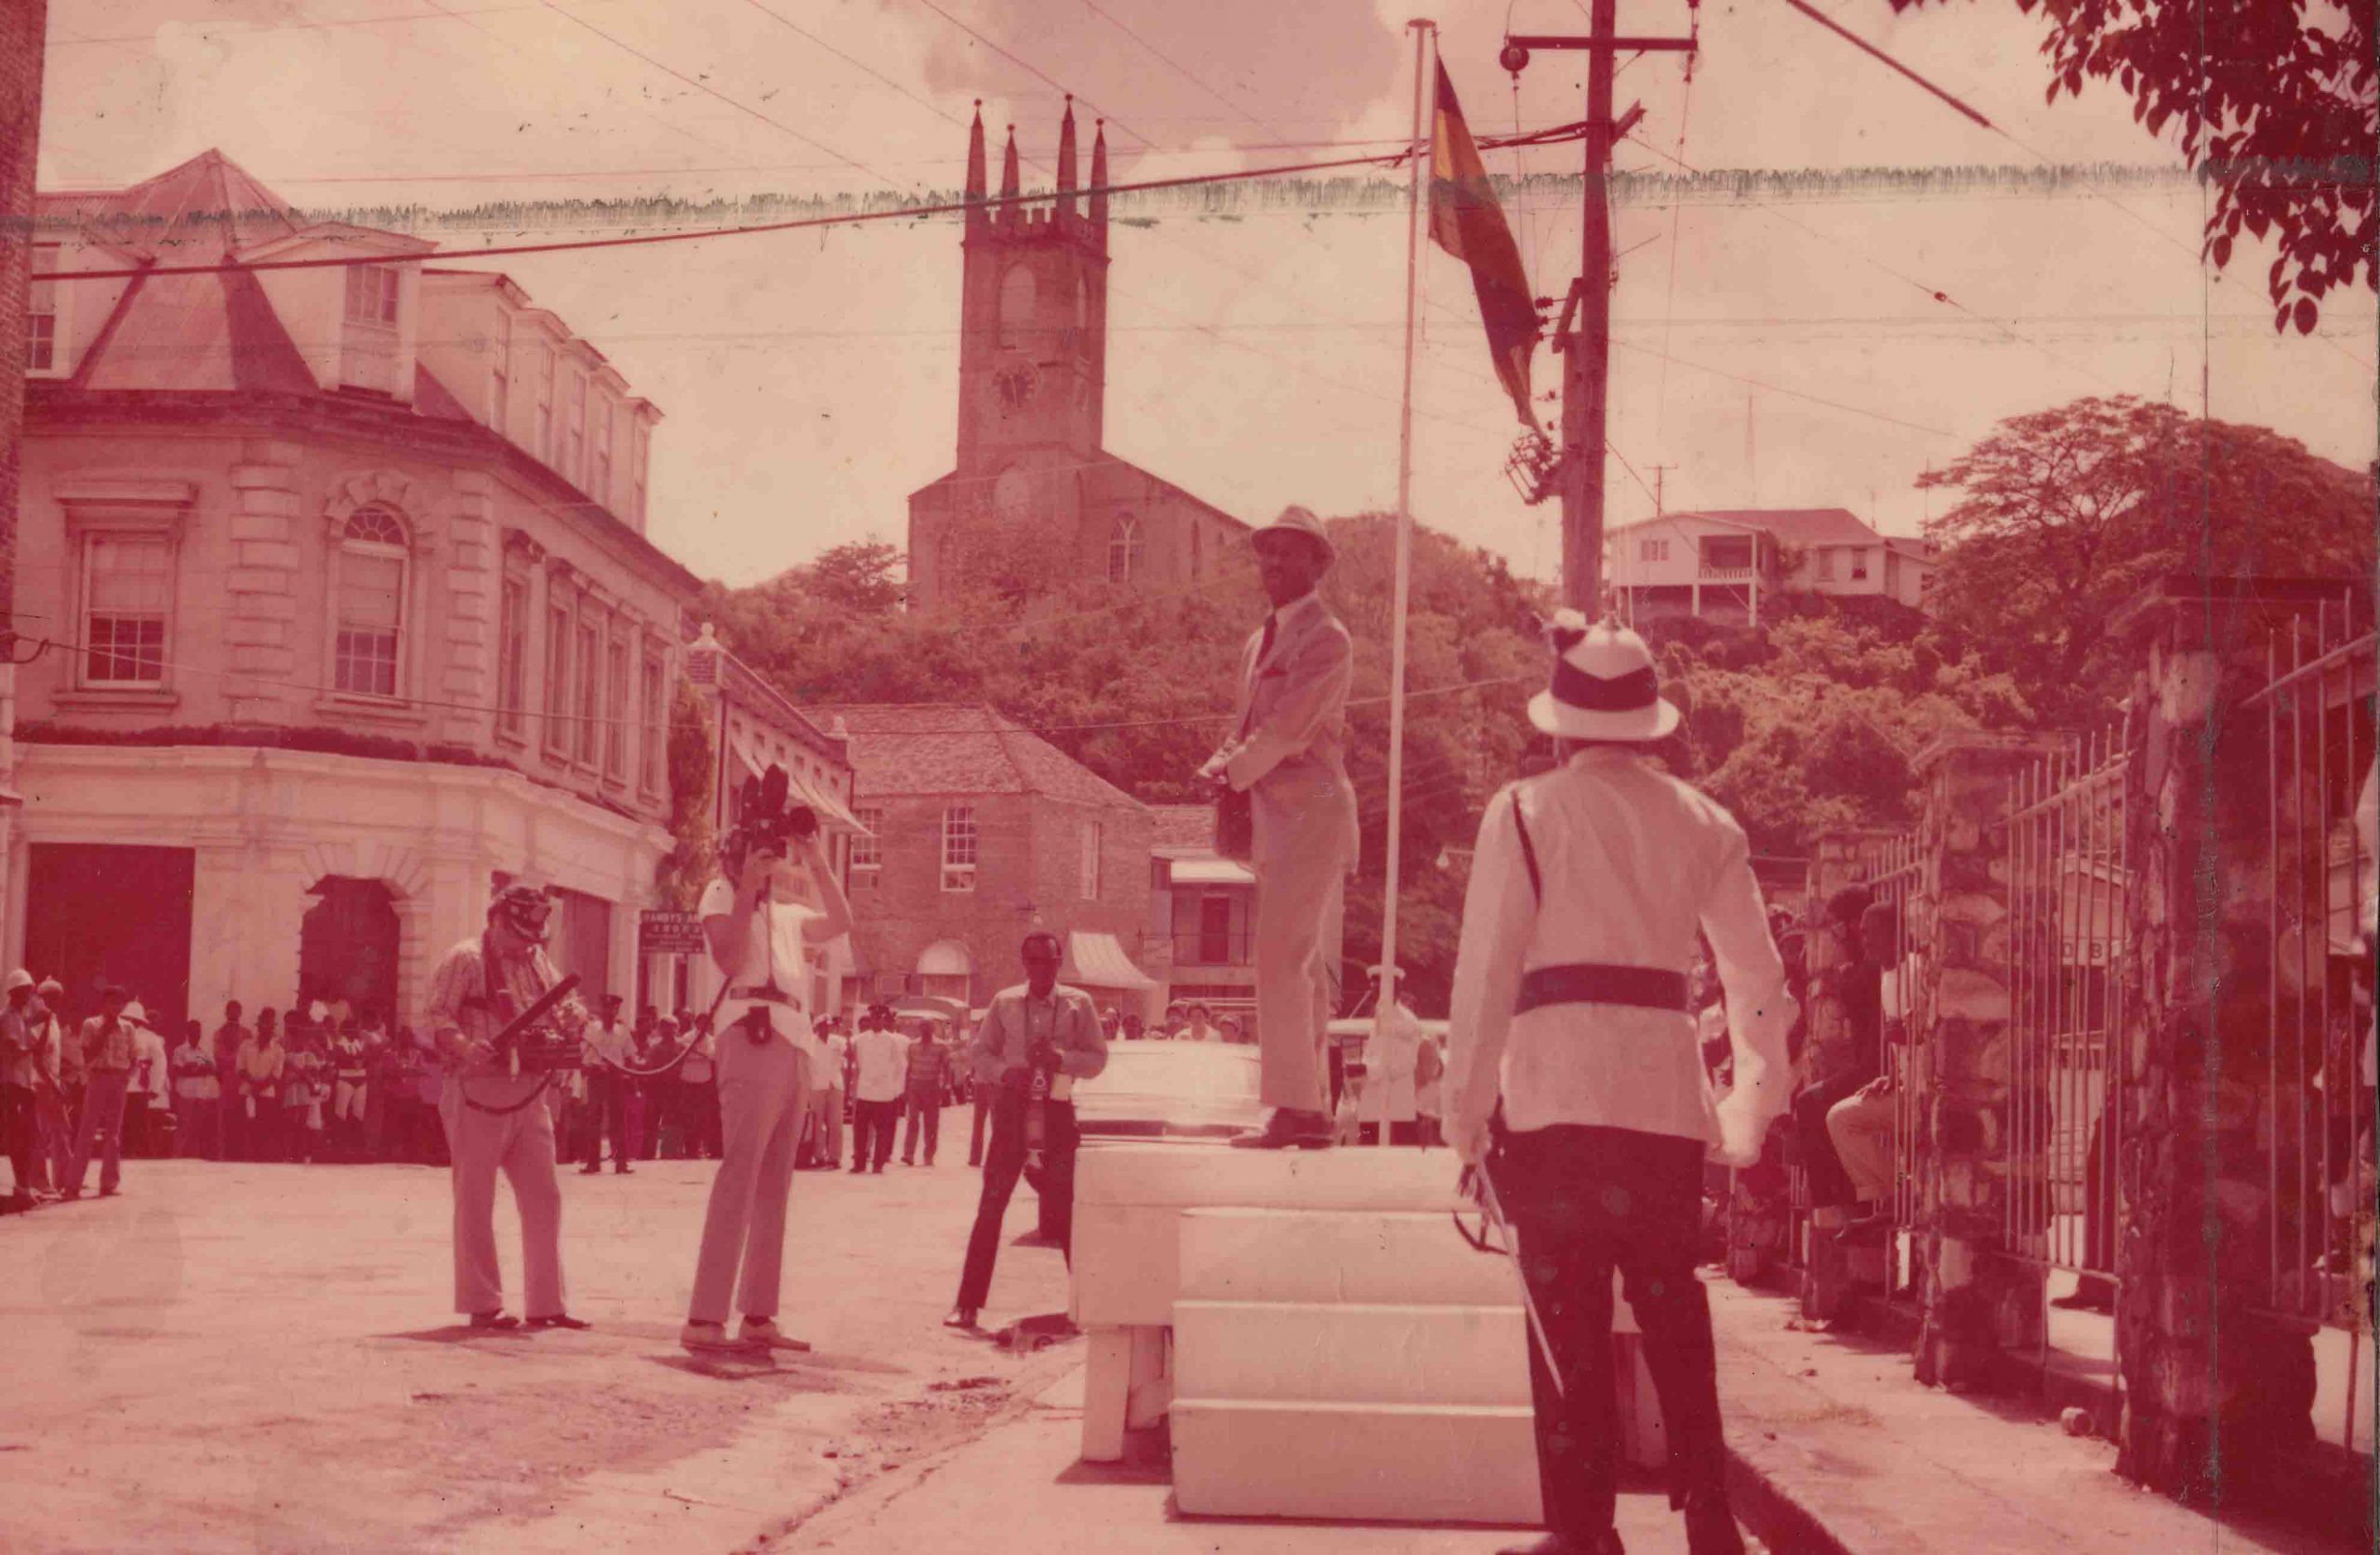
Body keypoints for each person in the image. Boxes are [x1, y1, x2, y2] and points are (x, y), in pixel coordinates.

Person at [1446, 612, 1794, 1555]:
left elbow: (1486, 971)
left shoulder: (1521, 811)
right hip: (1659, 1102)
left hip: (1554, 1096)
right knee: (1671, 1298)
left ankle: (1584, 1528)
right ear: (1653, 723)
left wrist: (1464, 1114)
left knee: (1564, 1311)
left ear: (1561, 723)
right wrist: (1748, 1107)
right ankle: (1708, 1513)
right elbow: (1756, 981)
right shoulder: (1706, 821)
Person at [1197, 506, 1358, 1150]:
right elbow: (1247, 727)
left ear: (1319, 564)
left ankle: (1295, 1109)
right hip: (1276, 815)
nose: (1274, 563)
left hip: (1312, 809)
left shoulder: (1328, 638)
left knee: (1280, 957)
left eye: (1290, 552)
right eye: (1267, 551)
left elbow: (1290, 727)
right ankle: (1309, 1108)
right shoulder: (1257, 639)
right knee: (1302, 965)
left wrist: (1229, 770)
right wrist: (1220, 763)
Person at [682, 775, 853, 1354]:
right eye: (751, 851)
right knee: (740, 1172)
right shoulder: (719, 895)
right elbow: (729, 957)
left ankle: (759, 1315)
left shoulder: (786, 914)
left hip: (794, 1036)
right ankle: (705, 1317)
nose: (764, 858)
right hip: (750, 1032)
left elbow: (839, 923)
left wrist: (814, 858)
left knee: (777, 1182)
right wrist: (748, 886)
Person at [427, 878, 592, 1331]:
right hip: (477, 1092)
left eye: (533, 938)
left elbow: (564, 1004)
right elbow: (436, 1015)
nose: (527, 946)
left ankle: (548, 1304)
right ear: (497, 920)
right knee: (476, 1200)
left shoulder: (536, 960)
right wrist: (462, 1044)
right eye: (520, 935)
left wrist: (575, 1017)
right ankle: (483, 1304)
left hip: (530, 1094)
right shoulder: (466, 958)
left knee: (545, 1198)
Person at [945, 931, 1108, 1330]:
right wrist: (1006, 1073)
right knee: (992, 1205)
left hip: (1056, 1109)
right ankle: (967, 1304)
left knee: (1068, 1207)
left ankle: (1087, 1307)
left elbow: (1098, 1058)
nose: (1042, 968)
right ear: (1024, 963)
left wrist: (1061, 1058)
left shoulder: (1078, 1003)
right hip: (1012, 1111)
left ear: (1058, 963)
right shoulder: (1004, 1002)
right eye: (1034, 961)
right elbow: (980, 1053)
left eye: (1050, 961)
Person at [1792, 890, 1886, 1217]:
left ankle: (1840, 1205)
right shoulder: (1861, 963)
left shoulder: (1872, 965)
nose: (1833, 933)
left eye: (1837, 925)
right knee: (1807, 1105)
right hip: (1866, 1065)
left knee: (1809, 1104)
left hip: (1875, 1068)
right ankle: (1839, 1204)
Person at [62, 984, 140, 1200]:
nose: (116, 1007)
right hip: (98, 1076)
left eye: (120, 1003)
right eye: (112, 1002)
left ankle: (109, 1182)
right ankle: (73, 1184)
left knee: (113, 1134)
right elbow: (88, 1054)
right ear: (104, 1004)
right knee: (87, 1131)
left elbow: (134, 1056)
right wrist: (106, 1029)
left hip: (118, 1078)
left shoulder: (128, 1028)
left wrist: (126, 1077)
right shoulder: (92, 1024)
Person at [579, 994, 635, 1176]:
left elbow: (629, 1056)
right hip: (597, 1077)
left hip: (616, 1078)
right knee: (593, 1119)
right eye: (606, 1009)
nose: (609, 1013)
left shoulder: (623, 1031)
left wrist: (629, 1075)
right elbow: (585, 1055)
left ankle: (621, 1163)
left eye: (612, 1010)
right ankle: (593, 1163)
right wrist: (593, 1066)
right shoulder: (591, 1029)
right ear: (601, 1010)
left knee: (618, 1121)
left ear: (617, 1011)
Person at [850, 1006, 907, 1174]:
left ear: (883, 1020)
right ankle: (859, 1164)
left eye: (879, 1018)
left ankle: (878, 1164)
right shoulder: (859, 1040)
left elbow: (900, 1066)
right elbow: (857, 1066)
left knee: (882, 1131)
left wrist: (896, 1089)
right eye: (873, 1018)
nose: (876, 1021)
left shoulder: (892, 1041)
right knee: (860, 1131)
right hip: (865, 1091)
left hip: (884, 1093)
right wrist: (855, 1088)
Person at [3, 971, 42, 1207]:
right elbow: (13, 1048)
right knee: (19, 1137)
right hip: (11, 1084)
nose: (29, 995)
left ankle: (23, 1187)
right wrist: (30, 1049)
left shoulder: (20, 1018)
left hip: (21, 1083)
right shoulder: (8, 1017)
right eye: (26, 991)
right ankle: (22, 1188)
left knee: (26, 1136)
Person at [238, 1011, 286, 1162]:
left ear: (272, 1028)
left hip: (266, 1096)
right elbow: (240, 1069)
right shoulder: (246, 1045)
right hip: (247, 1092)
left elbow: (276, 1075)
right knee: (246, 1129)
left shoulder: (278, 1050)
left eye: (269, 1026)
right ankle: (246, 1161)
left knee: (263, 1132)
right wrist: (253, 1084)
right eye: (263, 1025)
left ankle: (260, 1164)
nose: (266, 1029)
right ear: (258, 1027)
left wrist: (260, 1086)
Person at [124, 1007, 172, 1159]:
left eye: (133, 1019)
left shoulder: (151, 1038)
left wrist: (156, 1086)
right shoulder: (120, 1033)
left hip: (139, 1084)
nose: (130, 1021)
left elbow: (160, 1061)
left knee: (139, 1121)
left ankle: (141, 1152)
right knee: (122, 1122)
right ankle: (124, 1151)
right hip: (122, 1082)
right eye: (127, 1018)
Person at [171, 1019, 222, 1160]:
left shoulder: (205, 1050)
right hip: (185, 1094)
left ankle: (194, 1157)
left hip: (202, 1094)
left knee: (198, 1127)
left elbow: (212, 1069)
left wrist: (193, 1068)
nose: (196, 1034)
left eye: (198, 1032)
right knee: (183, 1127)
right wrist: (198, 1069)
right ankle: (177, 1156)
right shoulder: (179, 1050)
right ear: (188, 1033)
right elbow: (179, 1070)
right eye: (193, 1031)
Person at [902, 1020, 950, 1166]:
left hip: (932, 1085)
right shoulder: (912, 1045)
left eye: (928, 1028)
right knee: (912, 1120)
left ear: (933, 1029)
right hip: (915, 1085)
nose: (925, 1031)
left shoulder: (941, 1046)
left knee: (931, 1122)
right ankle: (908, 1154)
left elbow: (946, 1067)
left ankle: (929, 1155)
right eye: (922, 1028)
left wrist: (945, 1087)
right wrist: (906, 1087)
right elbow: (909, 1068)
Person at [805, 1018, 845, 1170]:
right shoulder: (810, 1042)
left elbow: (844, 1061)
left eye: (828, 1026)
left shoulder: (838, 1042)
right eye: (822, 1026)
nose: (826, 1029)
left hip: (835, 1084)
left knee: (836, 1123)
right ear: (817, 1027)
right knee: (817, 1123)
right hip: (817, 1085)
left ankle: (835, 1157)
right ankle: (819, 1156)